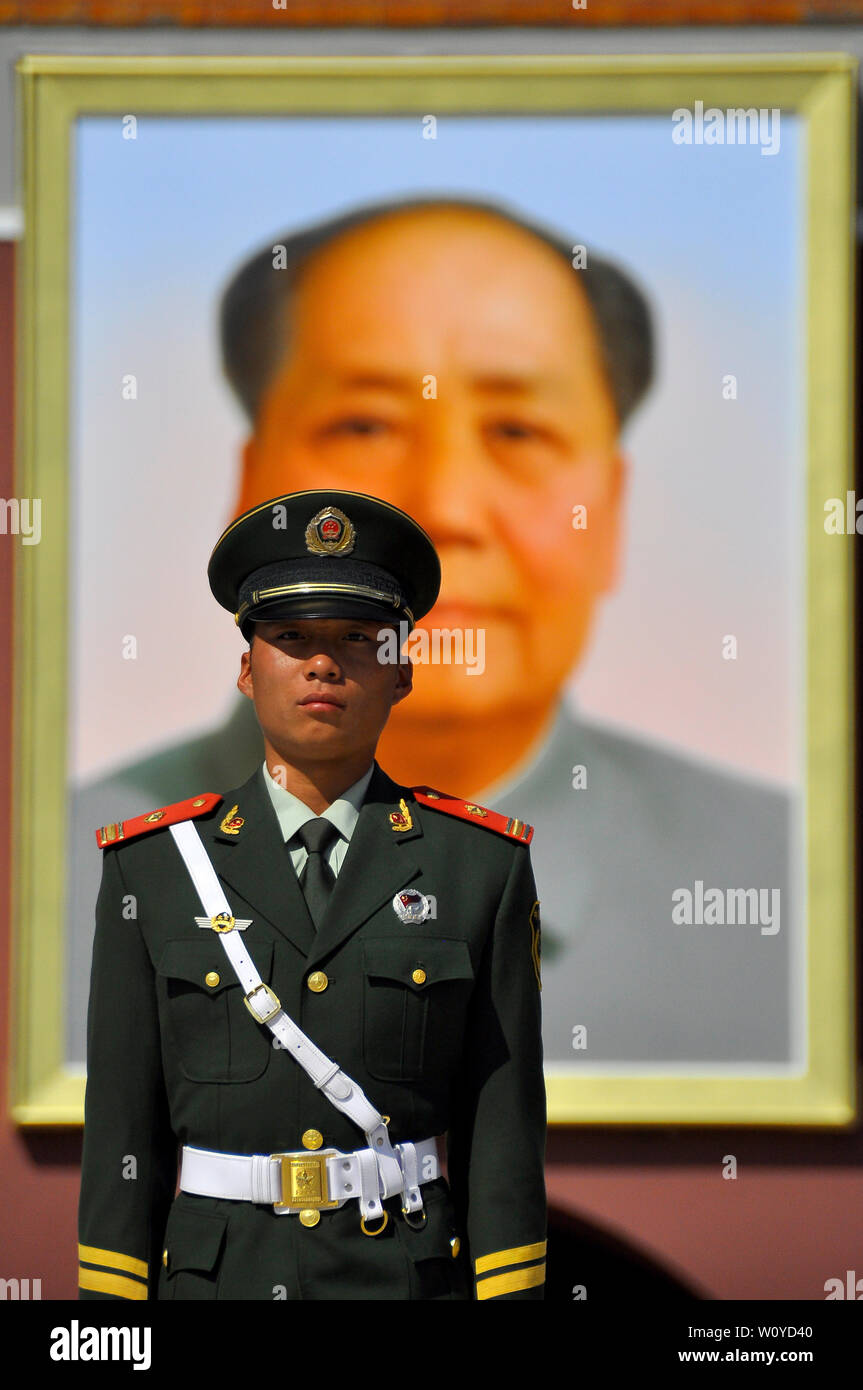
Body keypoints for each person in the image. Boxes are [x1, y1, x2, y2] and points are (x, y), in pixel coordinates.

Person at [69, 194, 792, 1071]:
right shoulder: (66, 879)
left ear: (609, 508)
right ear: (253, 483)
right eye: (364, 425)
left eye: (518, 430)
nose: (446, 508)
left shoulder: (788, 890)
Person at [78, 488, 547, 1302]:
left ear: (401, 671)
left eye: (358, 639)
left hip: (402, 1275)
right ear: (245, 668)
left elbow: (501, 1130)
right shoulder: (152, 867)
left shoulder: (479, 866)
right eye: (291, 638)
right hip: (219, 1282)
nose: (324, 663)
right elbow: (123, 1128)